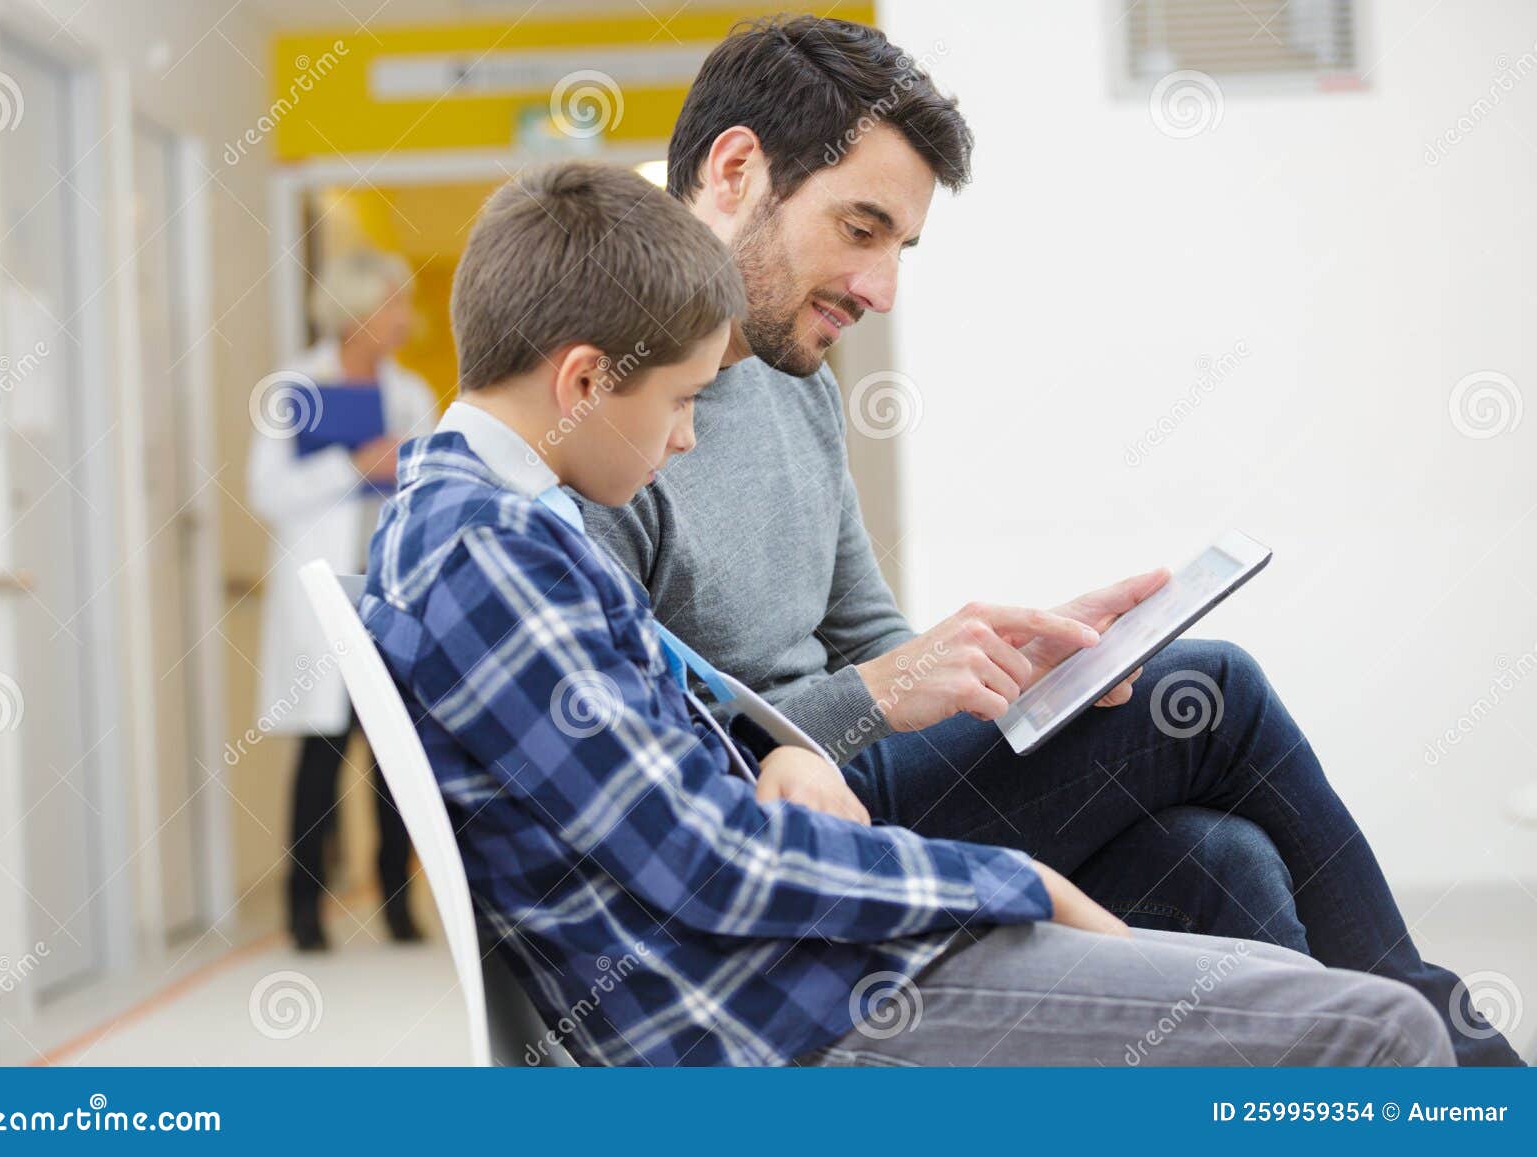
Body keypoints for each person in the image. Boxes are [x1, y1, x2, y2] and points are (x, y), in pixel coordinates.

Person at [577, 15, 1524, 1066]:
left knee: (1214, 858)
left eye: (901, 246)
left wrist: (1005, 677)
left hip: (863, 778)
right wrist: (879, 694)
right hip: (774, 817)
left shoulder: (794, 381)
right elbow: (646, 758)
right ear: (736, 169)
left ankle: (1352, 1099)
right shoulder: (604, 416)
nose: (881, 288)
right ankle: (1469, 1075)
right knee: (1211, 695)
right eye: (860, 229)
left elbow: (871, 641)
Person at [362, 158, 1451, 1067]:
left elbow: (678, 749)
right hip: (783, 1013)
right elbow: (711, 863)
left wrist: (777, 753)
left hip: (791, 963)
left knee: (1234, 885)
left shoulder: (491, 513)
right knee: (1379, 1024)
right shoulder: (493, 553)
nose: (688, 438)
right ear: (586, 382)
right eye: (684, 401)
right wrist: (1014, 882)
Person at [248, 247, 436, 951]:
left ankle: (398, 904)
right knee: (321, 759)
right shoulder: (294, 384)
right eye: (394, 304)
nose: (404, 318)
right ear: (359, 308)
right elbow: (267, 489)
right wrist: (353, 465)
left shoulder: (410, 392)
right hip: (321, 600)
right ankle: (304, 912)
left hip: (386, 594)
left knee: (394, 760)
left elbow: (433, 487)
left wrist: (399, 469)